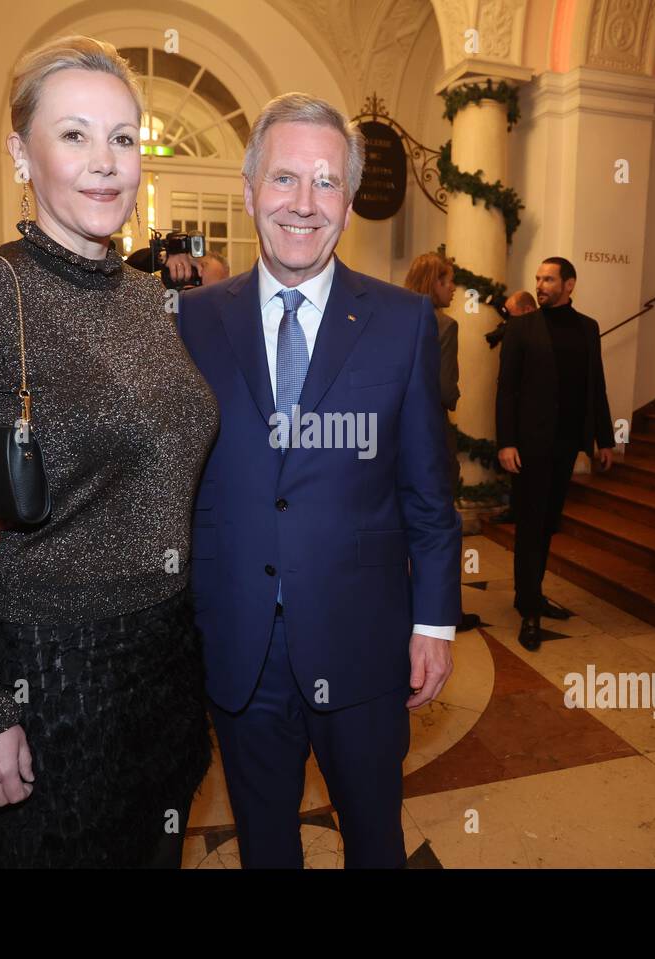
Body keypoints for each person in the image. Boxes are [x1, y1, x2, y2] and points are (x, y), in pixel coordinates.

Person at [0, 35, 218, 868]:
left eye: (122, 137)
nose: (106, 162)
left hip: (167, 655)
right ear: (20, 151)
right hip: (48, 669)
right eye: (74, 135)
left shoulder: (153, 301)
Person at [176, 93, 461, 868]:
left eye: (327, 182)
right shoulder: (190, 320)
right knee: (266, 846)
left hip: (365, 641)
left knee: (374, 838)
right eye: (285, 179)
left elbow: (429, 492)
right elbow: (165, 478)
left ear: (349, 201)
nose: (304, 204)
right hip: (238, 644)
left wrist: (434, 621)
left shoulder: (404, 324)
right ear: (249, 190)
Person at [495, 257, 615, 651]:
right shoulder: (522, 327)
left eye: (549, 279)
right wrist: (506, 441)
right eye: (538, 279)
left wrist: (605, 438)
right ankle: (529, 608)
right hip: (529, 446)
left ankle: (529, 593)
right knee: (530, 525)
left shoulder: (588, 328)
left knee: (547, 524)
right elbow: (507, 389)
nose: (541, 285)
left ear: (569, 284)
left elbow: (596, 385)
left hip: (567, 445)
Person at [403, 251, 480, 633]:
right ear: (434, 281)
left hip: (390, 436)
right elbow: (445, 390)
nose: (452, 289)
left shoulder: (392, 315)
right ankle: (444, 613)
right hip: (431, 435)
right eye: (448, 281)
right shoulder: (444, 325)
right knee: (438, 523)